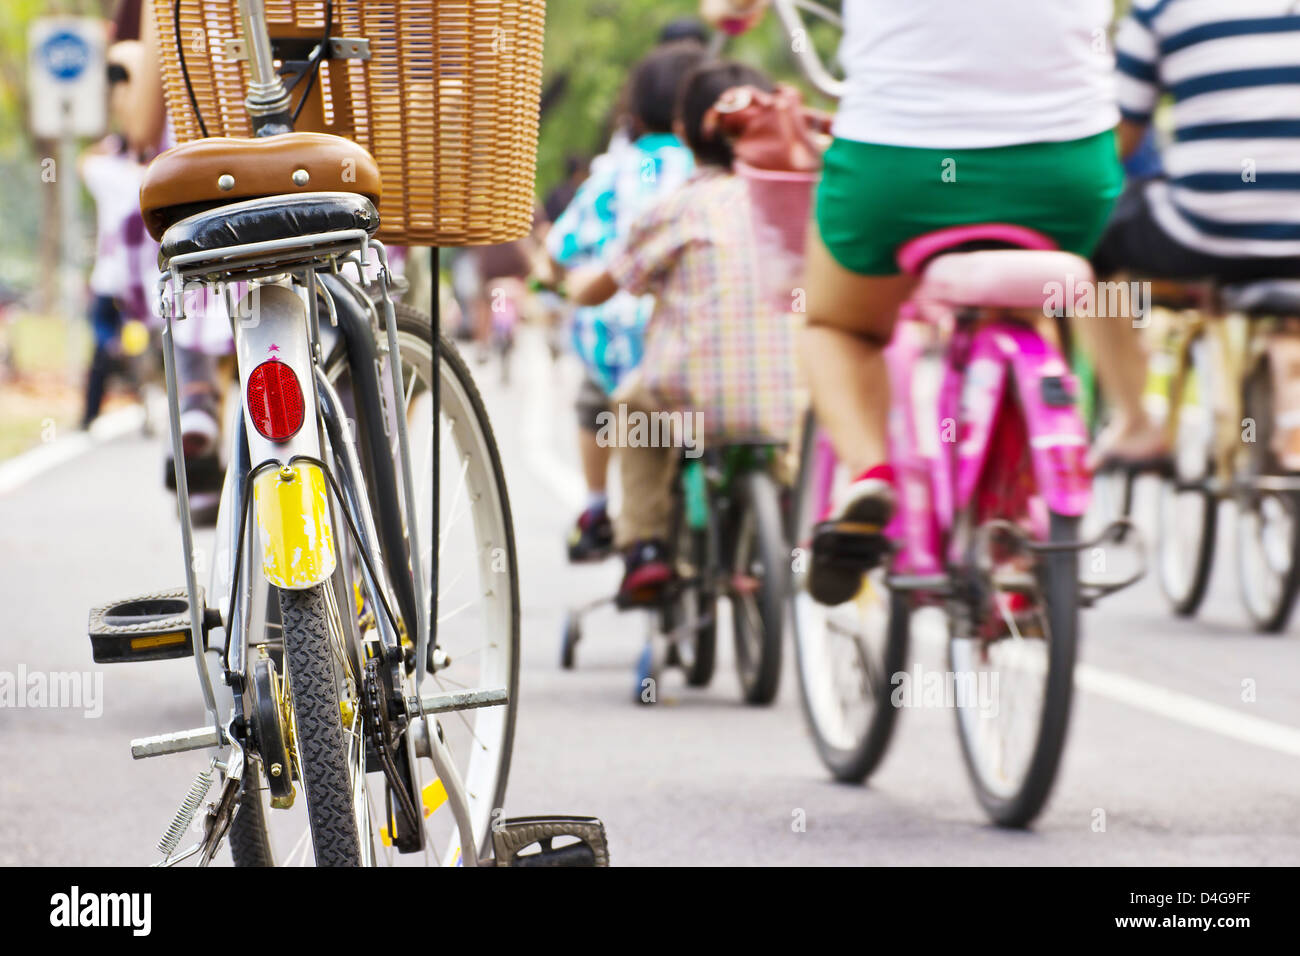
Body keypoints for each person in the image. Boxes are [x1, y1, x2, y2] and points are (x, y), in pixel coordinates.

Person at [708, 0, 1130, 605]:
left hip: (898, 166)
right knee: (1027, 291)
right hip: (1068, 171)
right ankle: (1026, 503)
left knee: (835, 326)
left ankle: (871, 477)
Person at [568, 61, 799, 605]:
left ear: (685, 133)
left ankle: (645, 545)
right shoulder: (791, 206)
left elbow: (603, 285)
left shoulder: (676, 209)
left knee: (631, 407)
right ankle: (789, 496)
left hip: (691, 401)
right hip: (783, 396)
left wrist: (573, 286)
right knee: (797, 400)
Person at [1086, 1, 1300, 468]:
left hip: (1207, 230)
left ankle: (1136, 421)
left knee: (1087, 242)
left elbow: (1116, 139)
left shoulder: (1161, 8)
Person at [547, 41, 703, 562]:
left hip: (623, 337)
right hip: (703, 339)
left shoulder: (614, 169)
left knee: (595, 399)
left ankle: (595, 509)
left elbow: (560, 247)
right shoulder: (710, 167)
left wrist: (555, 280)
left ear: (634, 113)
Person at [79, 39, 160, 429]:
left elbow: (86, 164)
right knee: (102, 347)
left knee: (126, 345)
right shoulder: (118, 167)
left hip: (143, 278)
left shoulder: (121, 169)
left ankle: (105, 406)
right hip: (116, 278)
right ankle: (91, 413)